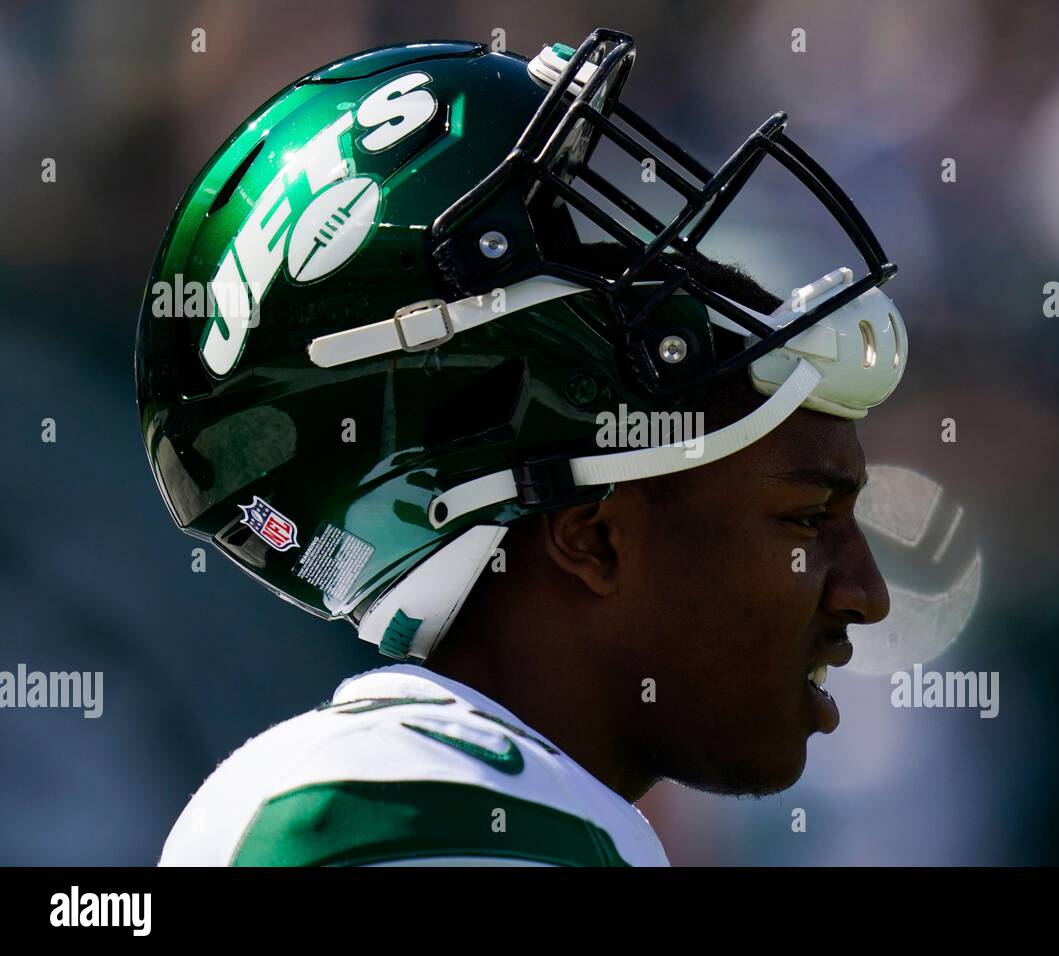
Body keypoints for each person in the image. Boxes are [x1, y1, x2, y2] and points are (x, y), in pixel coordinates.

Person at [137, 28, 906, 866]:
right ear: (592, 534)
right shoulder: (434, 814)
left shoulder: (420, 796)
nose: (866, 595)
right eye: (804, 519)